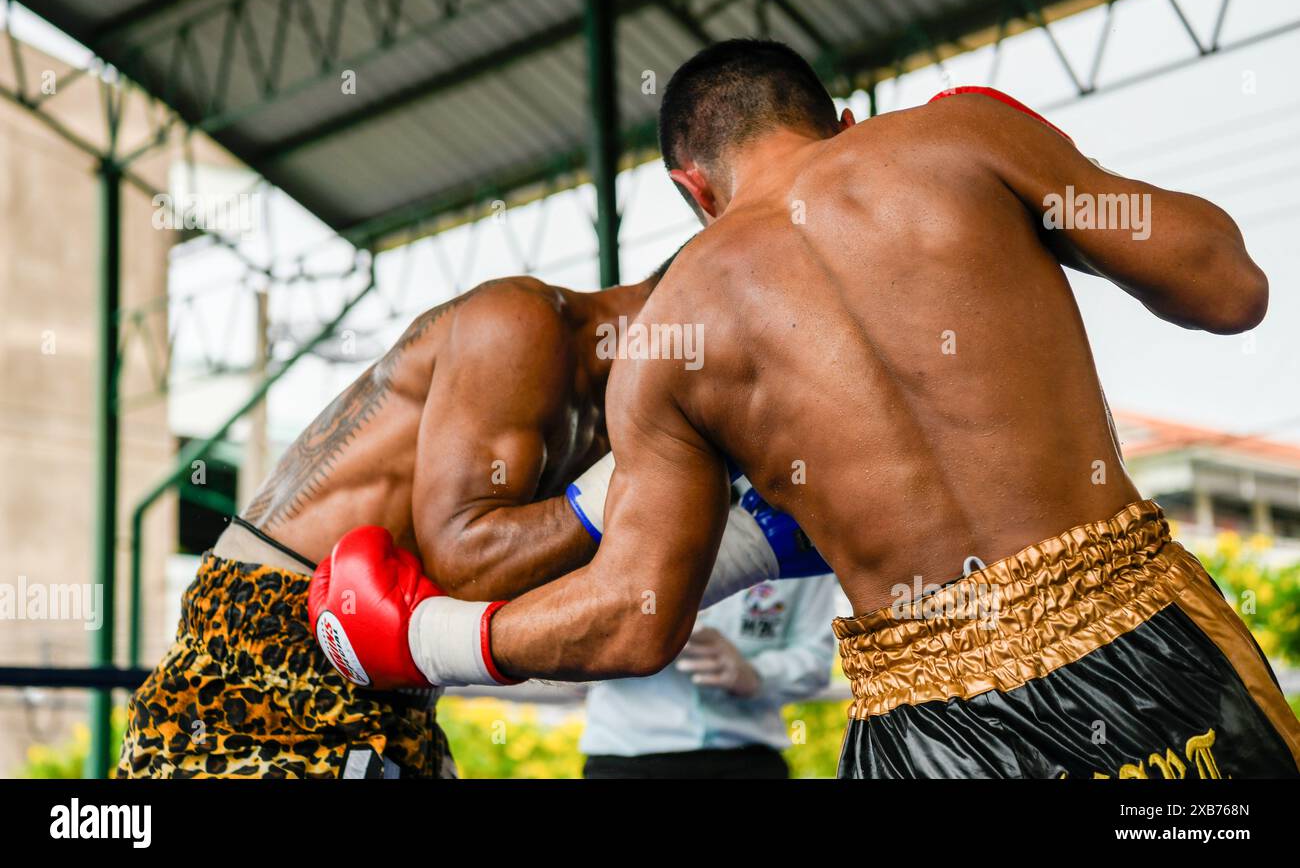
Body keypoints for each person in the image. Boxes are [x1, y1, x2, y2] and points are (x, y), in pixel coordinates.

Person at [326, 39, 1299, 779]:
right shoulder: (959, 140)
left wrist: (425, 638)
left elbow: (631, 618)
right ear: (836, 118)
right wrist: (1040, 164)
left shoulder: (676, 333)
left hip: (929, 732)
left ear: (689, 185)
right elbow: (1228, 288)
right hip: (1140, 648)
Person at [120, 263, 825, 778]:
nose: (731, 400)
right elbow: (470, 561)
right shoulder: (518, 325)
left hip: (399, 674)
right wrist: (659, 471)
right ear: (678, 324)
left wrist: (743, 546)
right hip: (270, 641)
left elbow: (624, 615)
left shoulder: (621, 425)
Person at [581, 570, 840, 779]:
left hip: (749, 758)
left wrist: (756, 674)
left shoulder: (796, 533)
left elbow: (815, 658)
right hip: (625, 755)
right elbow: (565, 637)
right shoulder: (612, 521)